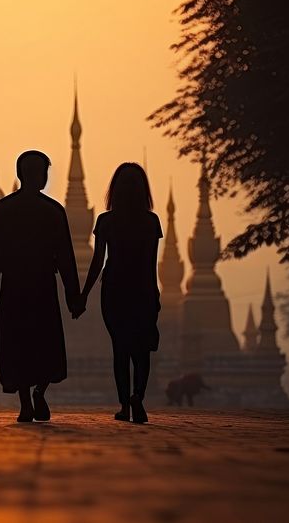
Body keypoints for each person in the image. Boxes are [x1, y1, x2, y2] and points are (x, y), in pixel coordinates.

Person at [0, 150, 82, 422]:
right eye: (41, 172)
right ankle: (34, 397)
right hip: (37, 286)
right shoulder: (51, 211)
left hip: (18, 286)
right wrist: (73, 294)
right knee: (38, 343)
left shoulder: (5, 209)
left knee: (23, 344)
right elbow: (64, 258)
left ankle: (30, 399)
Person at [80, 162, 162, 424]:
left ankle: (124, 405)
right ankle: (138, 396)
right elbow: (151, 264)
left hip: (114, 289)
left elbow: (97, 262)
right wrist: (155, 297)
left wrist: (83, 295)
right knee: (141, 351)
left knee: (121, 349)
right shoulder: (151, 221)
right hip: (141, 289)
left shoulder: (106, 221)